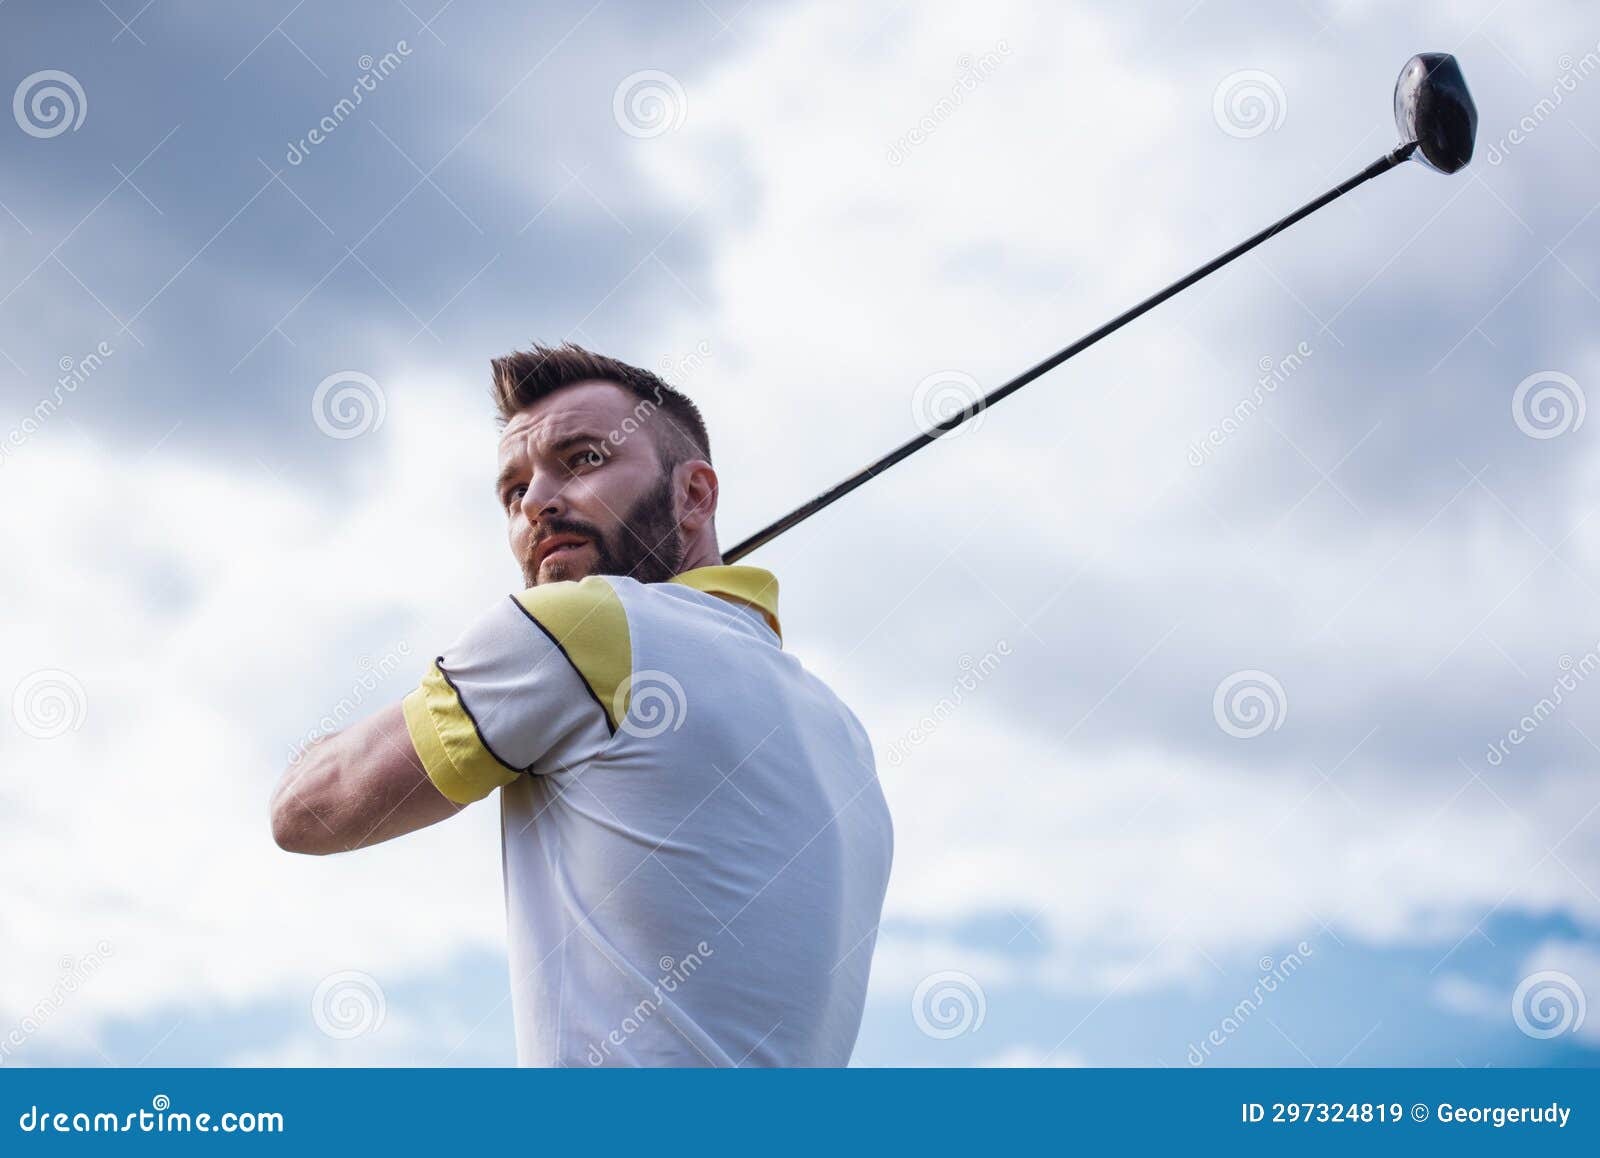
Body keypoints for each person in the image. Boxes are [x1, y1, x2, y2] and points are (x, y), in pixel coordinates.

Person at [270, 342, 894, 1067]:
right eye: (513, 492)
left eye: (585, 460)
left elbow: (307, 811)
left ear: (693, 495)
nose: (537, 502)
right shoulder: (841, 728)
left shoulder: (578, 625)